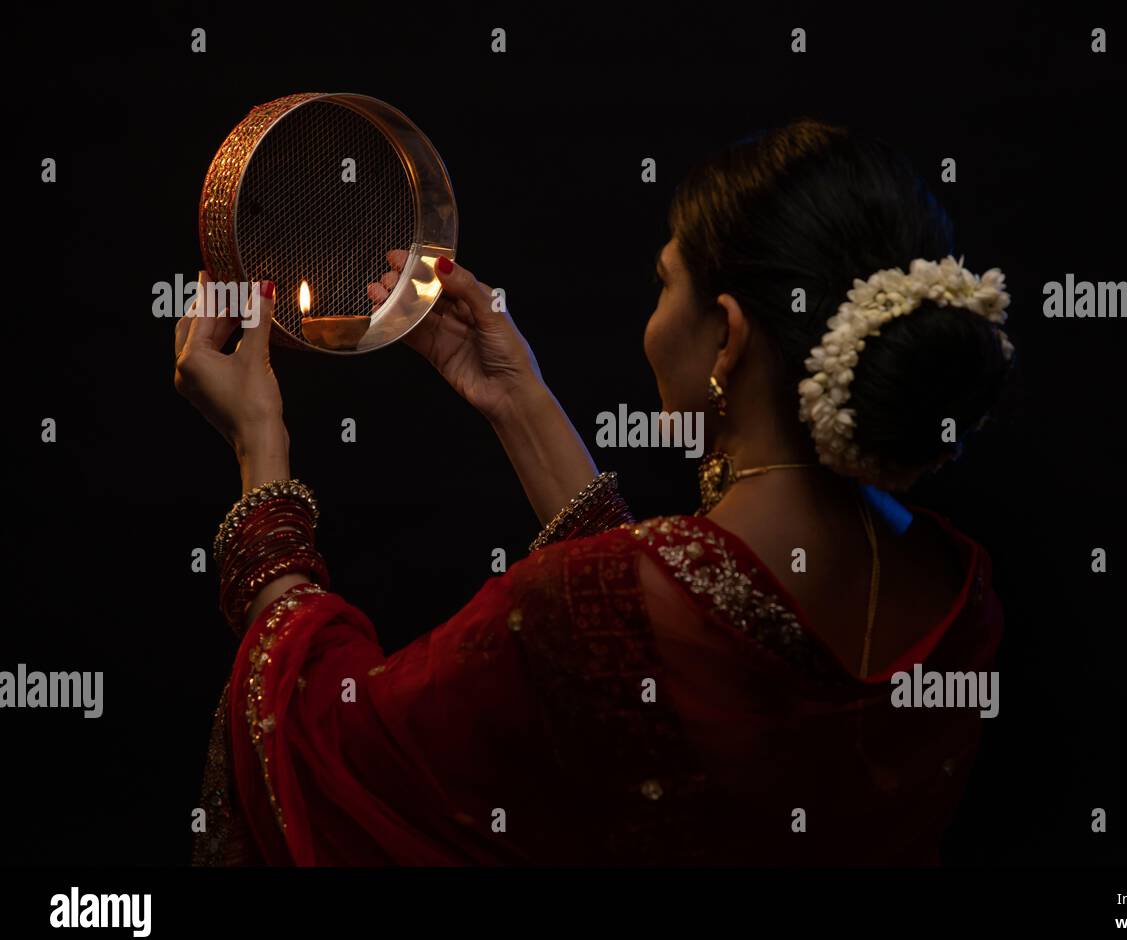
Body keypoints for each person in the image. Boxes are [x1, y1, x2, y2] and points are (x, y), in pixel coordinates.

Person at [176, 118, 1014, 866]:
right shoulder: (959, 586)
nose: (651, 317)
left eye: (664, 282)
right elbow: (664, 650)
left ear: (726, 336)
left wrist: (262, 460)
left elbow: (331, 744)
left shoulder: (586, 602)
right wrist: (518, 399)